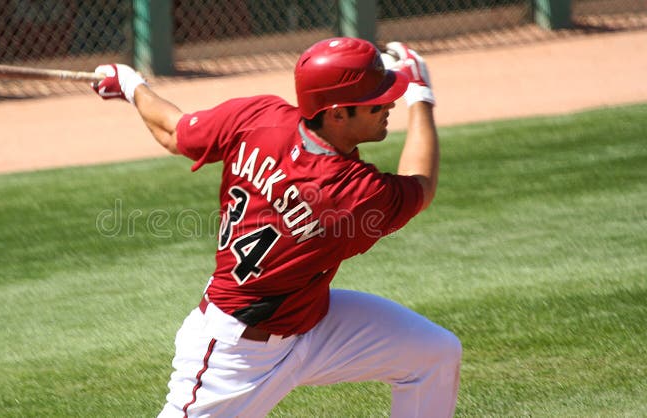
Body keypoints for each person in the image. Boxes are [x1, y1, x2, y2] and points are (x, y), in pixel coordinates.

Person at [92, 37, 461, 418]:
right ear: (335, 114)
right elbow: (422, 184)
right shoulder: (350, 194)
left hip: (312, 325)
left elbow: (174, 131)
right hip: (235, 356)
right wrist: (421, 96)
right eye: (376, 100)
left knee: (433, 354)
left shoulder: (258, 117)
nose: (389, 103)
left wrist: (132, 85)